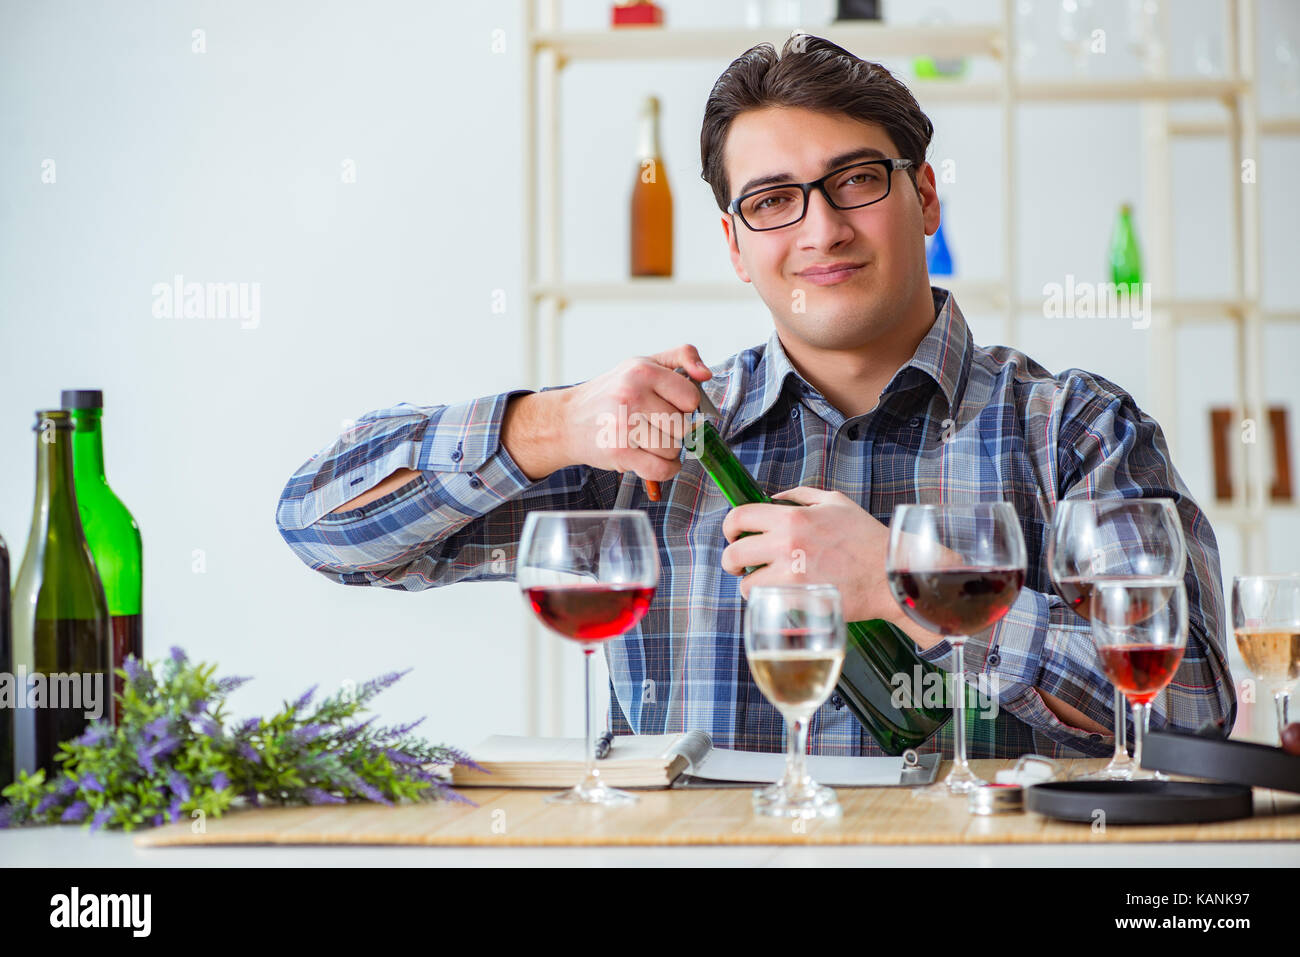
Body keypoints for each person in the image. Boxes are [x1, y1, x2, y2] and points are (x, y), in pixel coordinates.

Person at [276, 35, 1235, 757]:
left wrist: (910, 582)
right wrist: (556, 422)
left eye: (856, 180)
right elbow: (322, 526)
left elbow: (1191, 716)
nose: (821, 228)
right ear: (736, 245)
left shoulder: (1073, 429)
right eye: (772, 200)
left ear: (927, 198)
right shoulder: (660, 437)